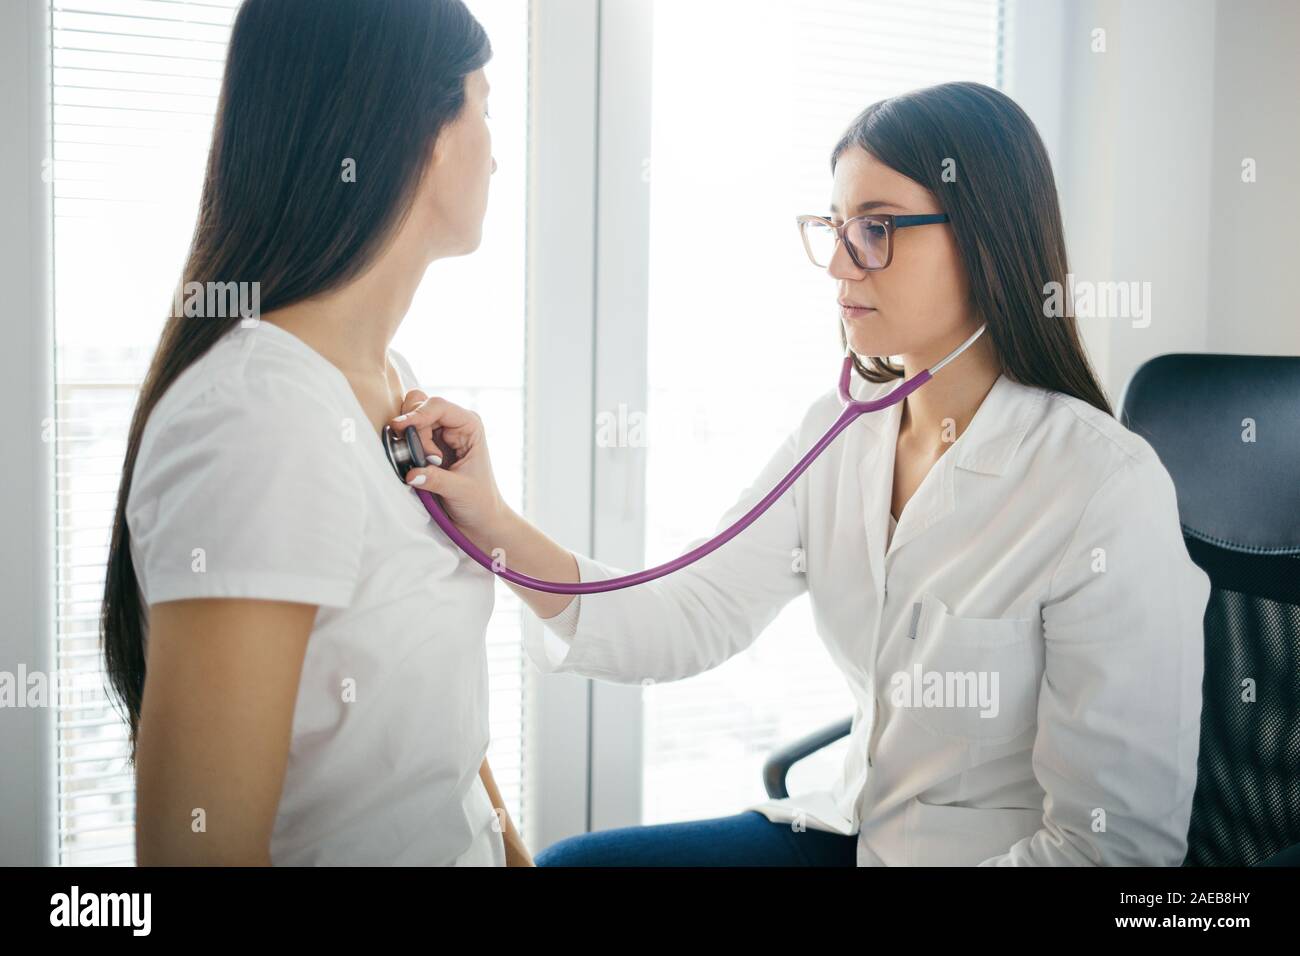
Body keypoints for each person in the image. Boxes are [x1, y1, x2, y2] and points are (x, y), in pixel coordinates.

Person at [390, 81, 1213, 866]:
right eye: (836, 226)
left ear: (987, 237)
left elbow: (1114, 849)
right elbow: (691, 611)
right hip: (848, 830)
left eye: (878, 228)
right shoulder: (843, 430)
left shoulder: (1102, 489)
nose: (840, 266)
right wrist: (492, 522)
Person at [102, 0, 529, 866]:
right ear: (423, 132)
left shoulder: (389, 377)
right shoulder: (260, 418)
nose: (498, 149)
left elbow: (424, 725)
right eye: (485, 105)